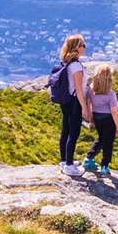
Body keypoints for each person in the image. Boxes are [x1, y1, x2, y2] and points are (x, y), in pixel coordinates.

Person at [46, 34, 89, 176]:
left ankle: (64, 160)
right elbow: (78, 88)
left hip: (66, 101)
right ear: (76, 47)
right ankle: (69, 165)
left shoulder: (66, 62)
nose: (84, 47)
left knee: (65, 130)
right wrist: (84, 108)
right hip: (75, 101)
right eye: (83, 45)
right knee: (74, 132)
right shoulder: (76, 66)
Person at [80, 63, 118, 176]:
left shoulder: (90, 90)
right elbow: (114, 111)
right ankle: (104, 166)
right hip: (108, 119)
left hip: (97, 117)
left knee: (101, 138)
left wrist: (90, 117)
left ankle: (89, 158)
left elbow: (88, 103)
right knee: (108, 143)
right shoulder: (111, 93)